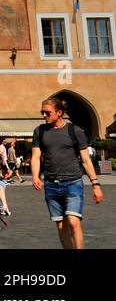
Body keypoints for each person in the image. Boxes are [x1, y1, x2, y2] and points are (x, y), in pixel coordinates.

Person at [32, 96, 103, 249]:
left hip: (73, 183)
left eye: (47, 112)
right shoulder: (39, 131)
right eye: (42, 112)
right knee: (61, 227)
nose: (43, 115)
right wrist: (35, 175)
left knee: (73, 222)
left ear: (59, 112)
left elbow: (85, 159)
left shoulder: (74, 130)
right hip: (51, 184)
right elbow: (36, 156)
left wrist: (95, 184)